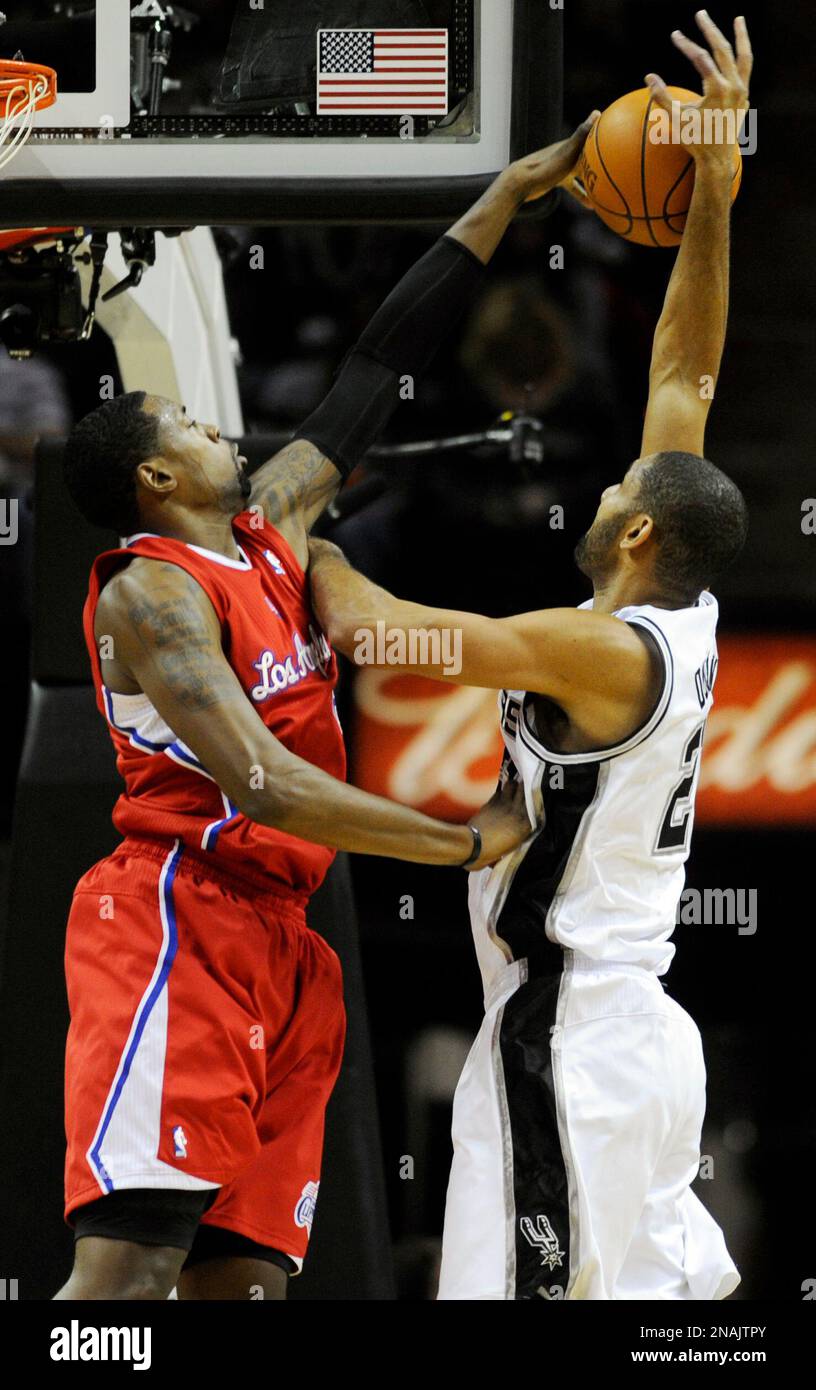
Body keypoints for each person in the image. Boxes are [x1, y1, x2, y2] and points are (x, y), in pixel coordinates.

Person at [53, 120, 599, 1301]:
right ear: (156, 477)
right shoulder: (153, 594)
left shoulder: (278, 529)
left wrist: (499, 202)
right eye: (191, 425)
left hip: (288, 945)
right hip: (178, 925)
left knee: (241, 1290)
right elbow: (265, 782)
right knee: (123, 1283)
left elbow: (373, 365)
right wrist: (466, 839)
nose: (220, 426)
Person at [307, 13, 752, 1300]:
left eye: (617, 485)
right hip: (638, 1037)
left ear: (638, 530)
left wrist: (303, 534)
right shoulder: (686, 603)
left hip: (571, 1035)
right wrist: (712, 194)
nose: (601, 484)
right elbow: (687, 367)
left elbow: (395, 637)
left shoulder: (591, 646)